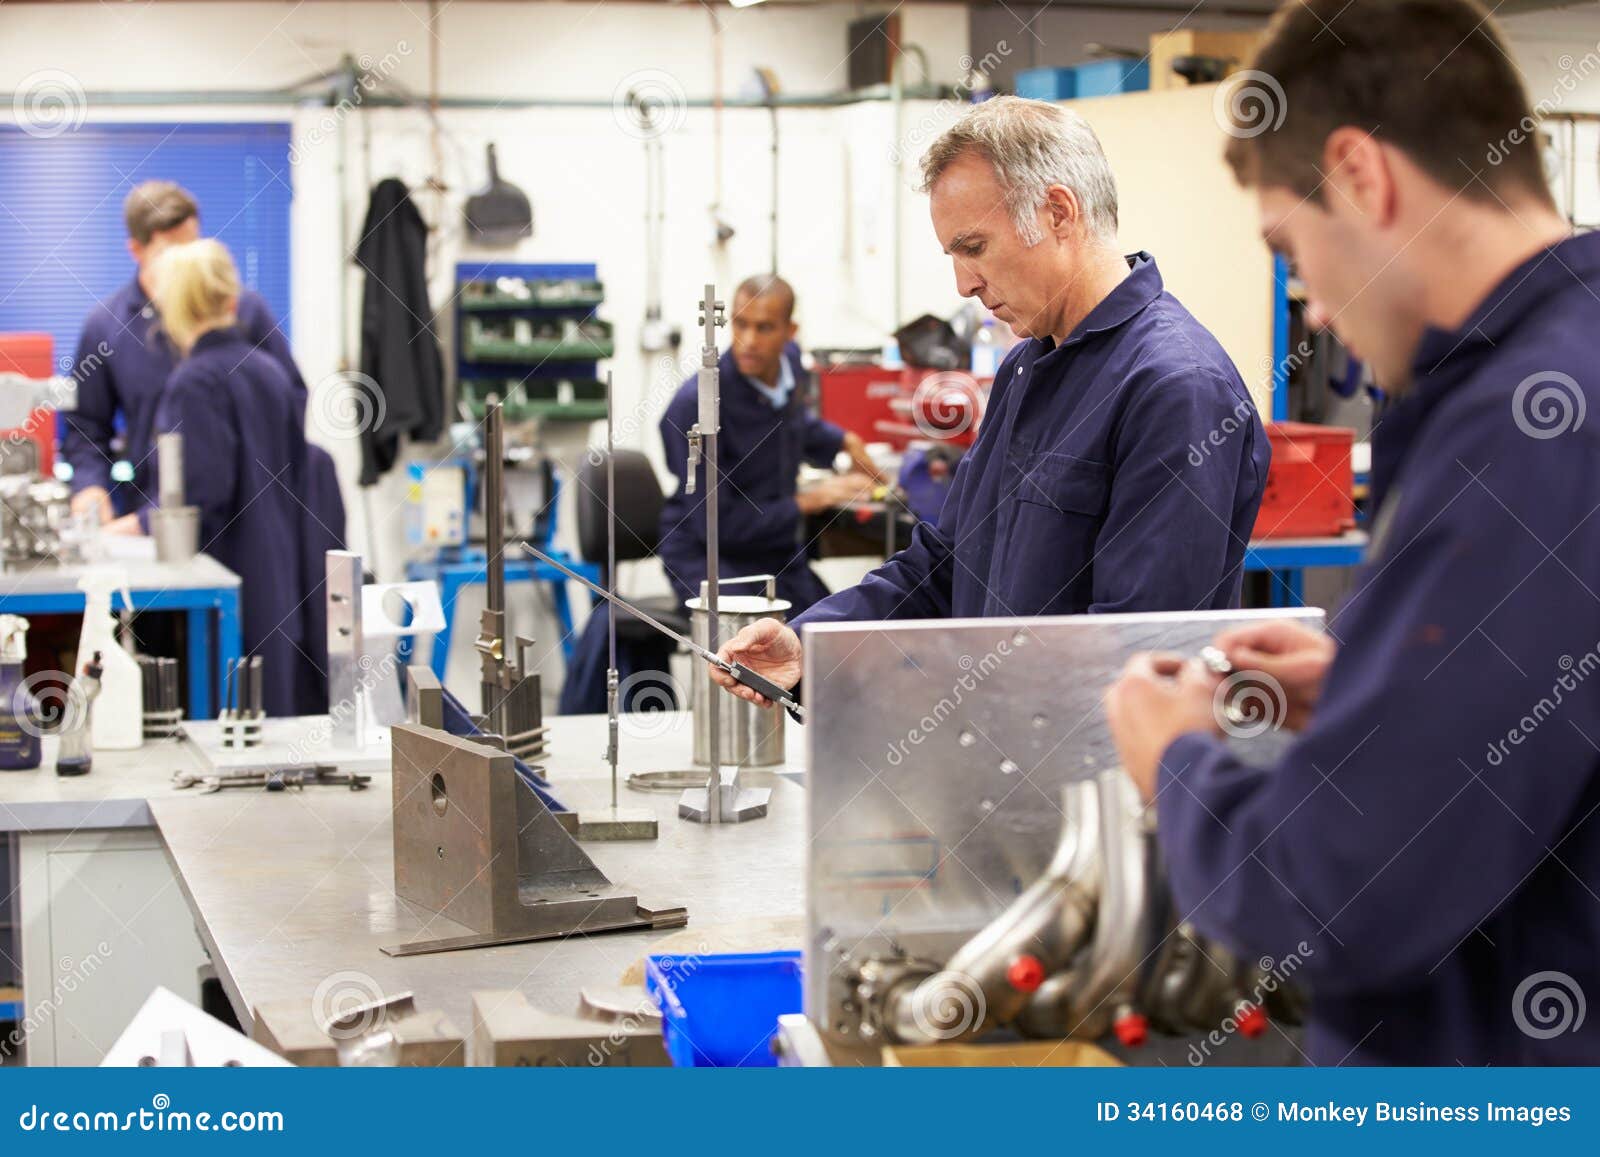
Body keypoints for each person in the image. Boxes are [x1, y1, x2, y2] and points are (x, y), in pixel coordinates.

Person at [1104, 0, 1600, 1064]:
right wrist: (1377, 676)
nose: (1314, 310)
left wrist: (1179, 761)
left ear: (1361, 176)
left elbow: (1346, 888)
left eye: (1292, 246)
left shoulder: (1524, 425)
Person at [712, 96, 1269, 707]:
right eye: (952, 255)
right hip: (1003, 760)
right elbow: (949, 563)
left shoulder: (1174, 389)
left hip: (1098, 787)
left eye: (973, 247)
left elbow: (1138, 656)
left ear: (1058, 212)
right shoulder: (1030, 365)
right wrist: (810, 645)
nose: (963, 284)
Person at [107, 240, 338, 717]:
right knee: (270, 729)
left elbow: (201, 493)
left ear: (174, 308)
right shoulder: (270, 371)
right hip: (280, 582)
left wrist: (138, 524)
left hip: (228, 584)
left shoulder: (196, 382)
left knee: (223, 727)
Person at [64, 181, 304, 523]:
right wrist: (90, 487)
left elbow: (291, 401)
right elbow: (85, 428)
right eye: (170, 255)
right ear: (136, 249)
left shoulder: (247, 312)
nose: (186, 266)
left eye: (193, 247)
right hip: (154, 516)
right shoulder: (106, 327)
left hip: (250, 516)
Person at [657, 273, 884, 615]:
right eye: (740, 324)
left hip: (772, 552)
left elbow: (792, 422)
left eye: (764, 328)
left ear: (789, 332)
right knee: (755, 650)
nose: (748, 340)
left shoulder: (788, 363)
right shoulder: (697, 406)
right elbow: (723, 526)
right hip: (710, 558)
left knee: (836, 637)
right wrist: (812, 499)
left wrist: (845, 442)